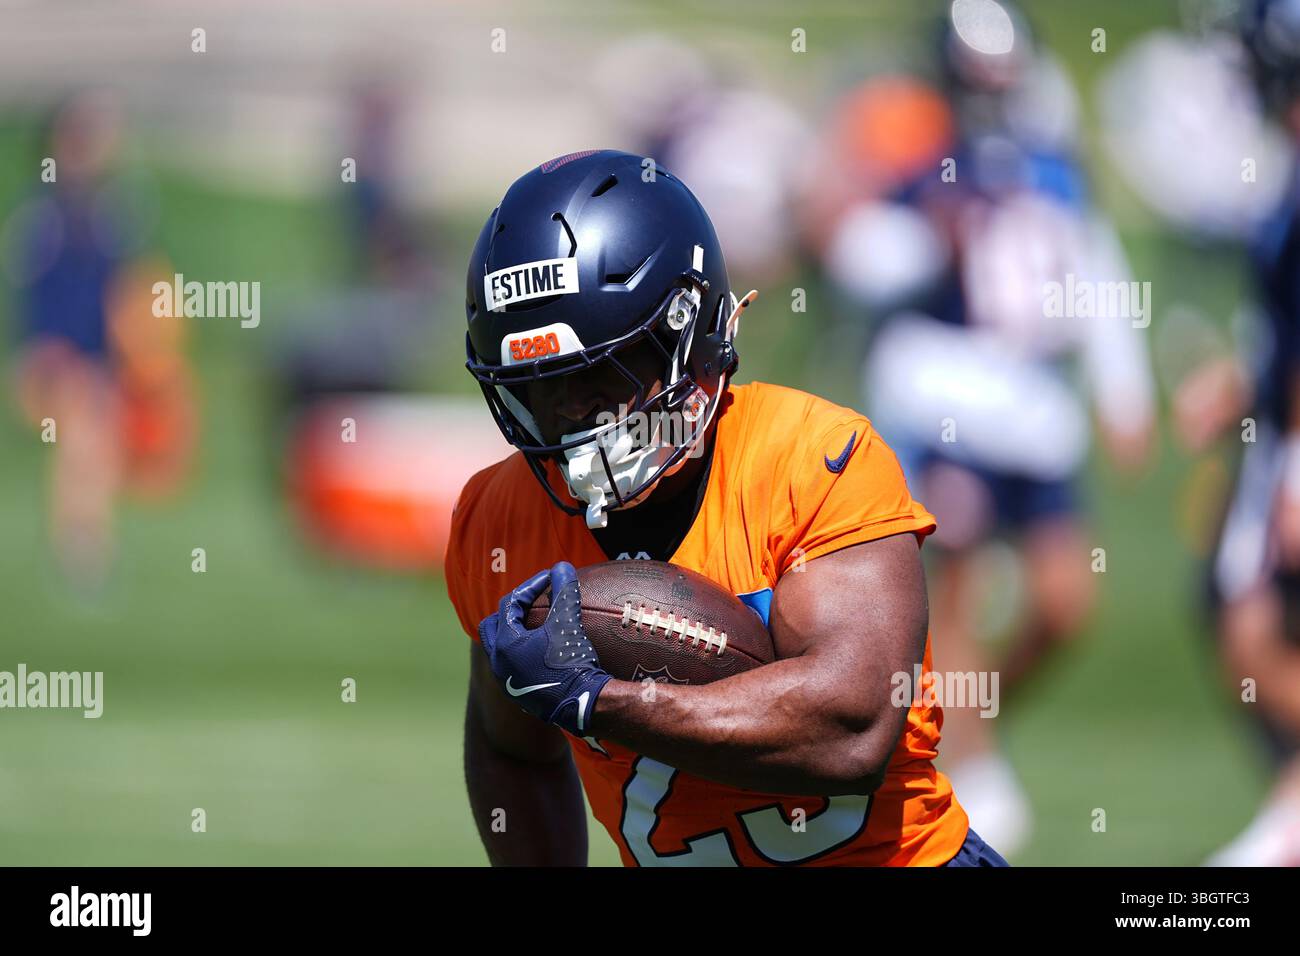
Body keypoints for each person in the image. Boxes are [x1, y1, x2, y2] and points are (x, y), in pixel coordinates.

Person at [444, 149, 1006, 866]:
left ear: (690, 334)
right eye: (542, 389)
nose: (574, 422)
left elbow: (851, 728)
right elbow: (508, 749)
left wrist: (598, 700)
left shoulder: (814, 458)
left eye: (602, 376)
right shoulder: (501, 518)